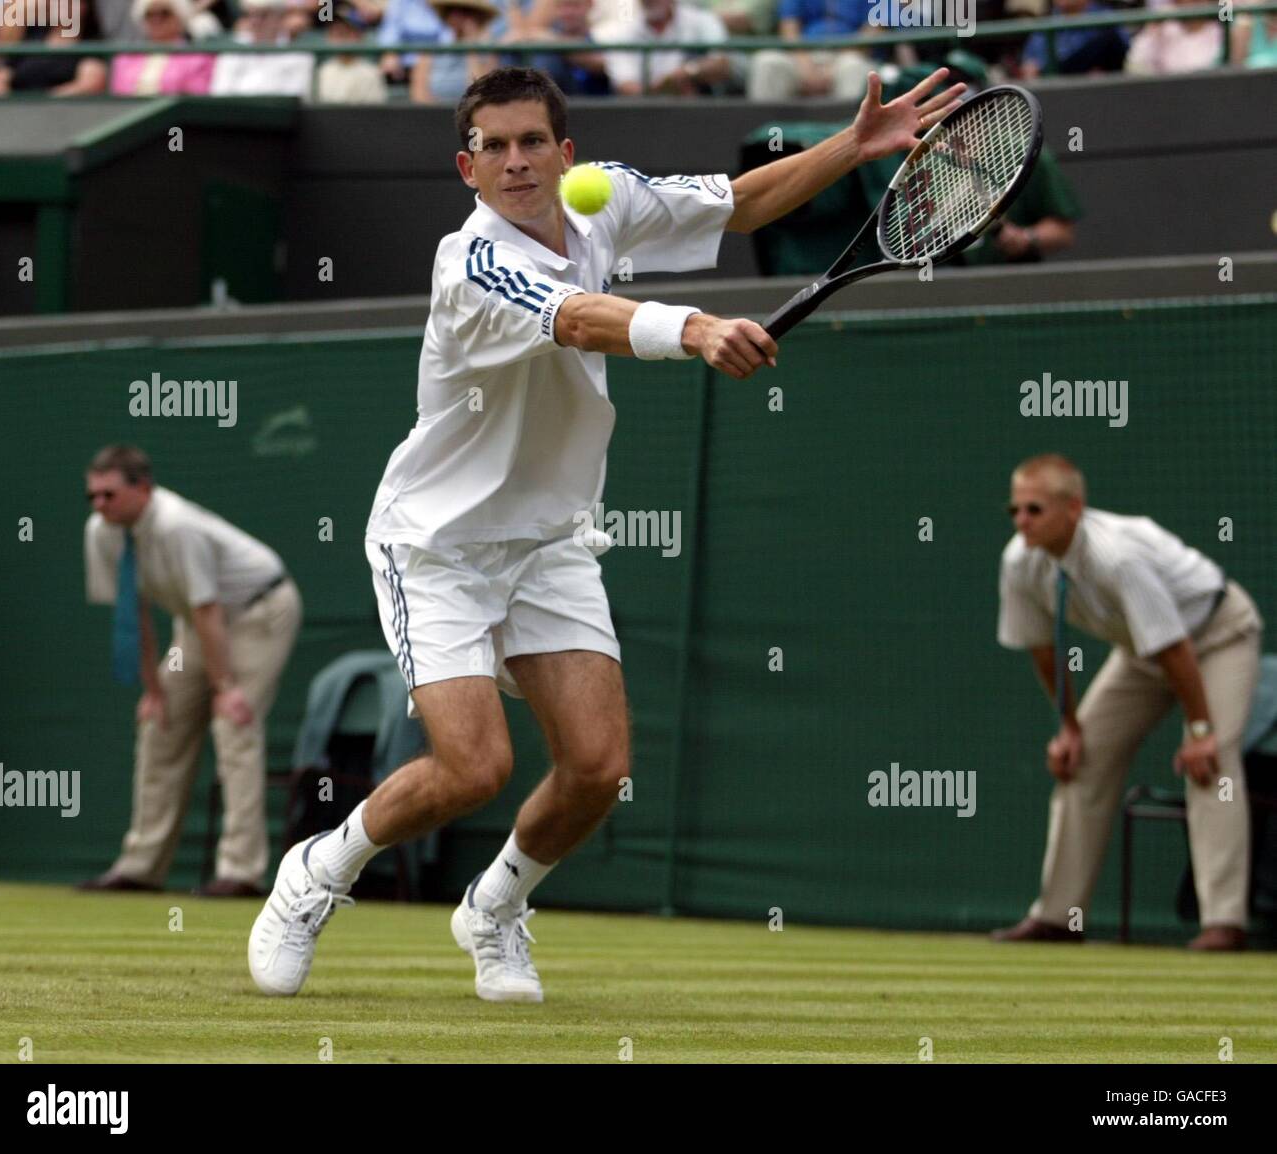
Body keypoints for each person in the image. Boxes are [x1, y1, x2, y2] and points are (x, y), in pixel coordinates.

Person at [247, 64, 965, 1000]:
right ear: (468, 168)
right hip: (438, 545)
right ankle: (317, 873)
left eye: (532, 142)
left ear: (564, 153)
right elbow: (577, 319)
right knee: (473, 768)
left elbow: (743, 204)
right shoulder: (467, 260)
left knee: (596, 768)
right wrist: (698, 327)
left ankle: (496, 909)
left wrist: (853, 145)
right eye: (494, 147)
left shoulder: (608, 202)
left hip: (549, 540)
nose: (515, 162)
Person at [993, 455, 1262, 951]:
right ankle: (1058, 917)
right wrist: (1068, 727)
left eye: (1034, 509)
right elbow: (1043, 649)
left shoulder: (1118, 558)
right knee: (1082, 759)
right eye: (1014, 510)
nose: (1021, 521)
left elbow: (1176, 650)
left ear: (1073, 508)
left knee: (1211, 766)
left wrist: (1201, 733)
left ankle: (1224, 923)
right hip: (1143, 652)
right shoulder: (1019, 561)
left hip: (1216, 636)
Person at [81, 446, 303, 897]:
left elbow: (207, 608)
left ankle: (240, 872)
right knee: (158, 724)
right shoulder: (101, 533)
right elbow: (133, 613)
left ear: (142, 489)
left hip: (258, 612)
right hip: (199, 624)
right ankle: (141, 867)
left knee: (233, 723)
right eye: (93, 497)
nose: (100, 505)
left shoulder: (176, 526)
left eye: (109, 495)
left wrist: (225, 687)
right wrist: (154, 690)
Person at [957, 146, 1080, 265]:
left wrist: (1026, 238)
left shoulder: (1025, 152)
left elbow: (1062, 232)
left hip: (1007, 280)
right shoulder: (938, 156)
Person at [747, 0, 874, 103]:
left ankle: (849, 133)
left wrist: (830, 68)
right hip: (803, 54)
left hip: (850, 54)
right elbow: (789, 28)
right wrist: (805, 65)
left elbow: (873, 31)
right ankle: (765, 133)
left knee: (853, 67)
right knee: (768, 62)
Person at [596, 0, 732, 96]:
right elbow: (625, 86)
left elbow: (722, 65)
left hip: (698, 113)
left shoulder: (702, 20)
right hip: (644, 117)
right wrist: (665, 87)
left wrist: (687, 72)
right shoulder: (623, 31)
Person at [0, 0, 108, 96]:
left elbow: (90, 83)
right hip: (14, 114)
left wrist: (42, 103)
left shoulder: (91, 45)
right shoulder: (32, 36)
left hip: (58, 116)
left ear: (83, 7)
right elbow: (2, 74)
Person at [210, 0, 316, 98]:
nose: (255, 21)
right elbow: (220, 94)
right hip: (233, 116)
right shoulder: (233, 50)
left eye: (263, 15)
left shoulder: (299, 56)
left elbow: (293, 100)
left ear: (280, 18)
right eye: (250, 15)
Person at [110, 0, 218, 95]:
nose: (156, 19)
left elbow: (195, 99)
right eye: (149, 14)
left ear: (179, 15)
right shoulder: (126, 57)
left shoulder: (197, 57)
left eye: (164, 13)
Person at [411, 0, 503, 102]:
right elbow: (419, 93)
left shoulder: (487, 51)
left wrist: (471, 47)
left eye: (465, 11)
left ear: (476, 16)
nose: (456, 16)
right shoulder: (430, 52)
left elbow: (479, 92)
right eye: (451, 11)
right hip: (435, 113)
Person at [1018, 0, 1129, 79]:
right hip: (1056, 91)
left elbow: (1125, 57)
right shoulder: (1045, 24)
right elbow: (1030, 67)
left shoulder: (1107, 20)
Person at [1125, 0, 1224, 75]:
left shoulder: (1221, 31)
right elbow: (1134, 67)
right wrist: (1153, 27)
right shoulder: (1163, 29)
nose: (1191, 3)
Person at [317, 3, 391, 102]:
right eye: (335, 31)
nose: (339, 36)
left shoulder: (370, 73)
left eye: (345, 31)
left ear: (357, 35)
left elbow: (375, 113)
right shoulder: (322, 71)